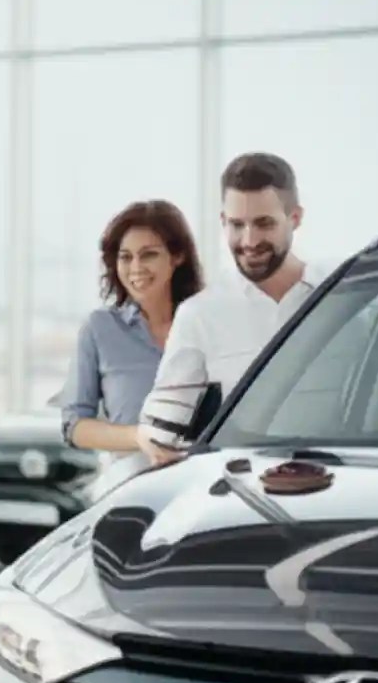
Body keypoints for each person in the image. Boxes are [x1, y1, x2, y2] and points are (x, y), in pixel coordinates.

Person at [136, 151, 332, 465]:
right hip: (244, 491)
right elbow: (162, 425)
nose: (249, 240)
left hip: (337, 481)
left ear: (295, 218)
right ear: (223, 221)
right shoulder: (199, 315)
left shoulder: (339, 295)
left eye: (264, 223)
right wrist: (153, 438)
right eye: (237, 225)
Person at [60, 199, 205, 471]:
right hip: (129, 482)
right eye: (125, 257)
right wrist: (139, 436)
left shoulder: (207, 325)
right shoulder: (100, 328)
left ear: (177, 256)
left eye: (148, 254)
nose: (135, 267)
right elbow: (74, 425)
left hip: (202, 482)